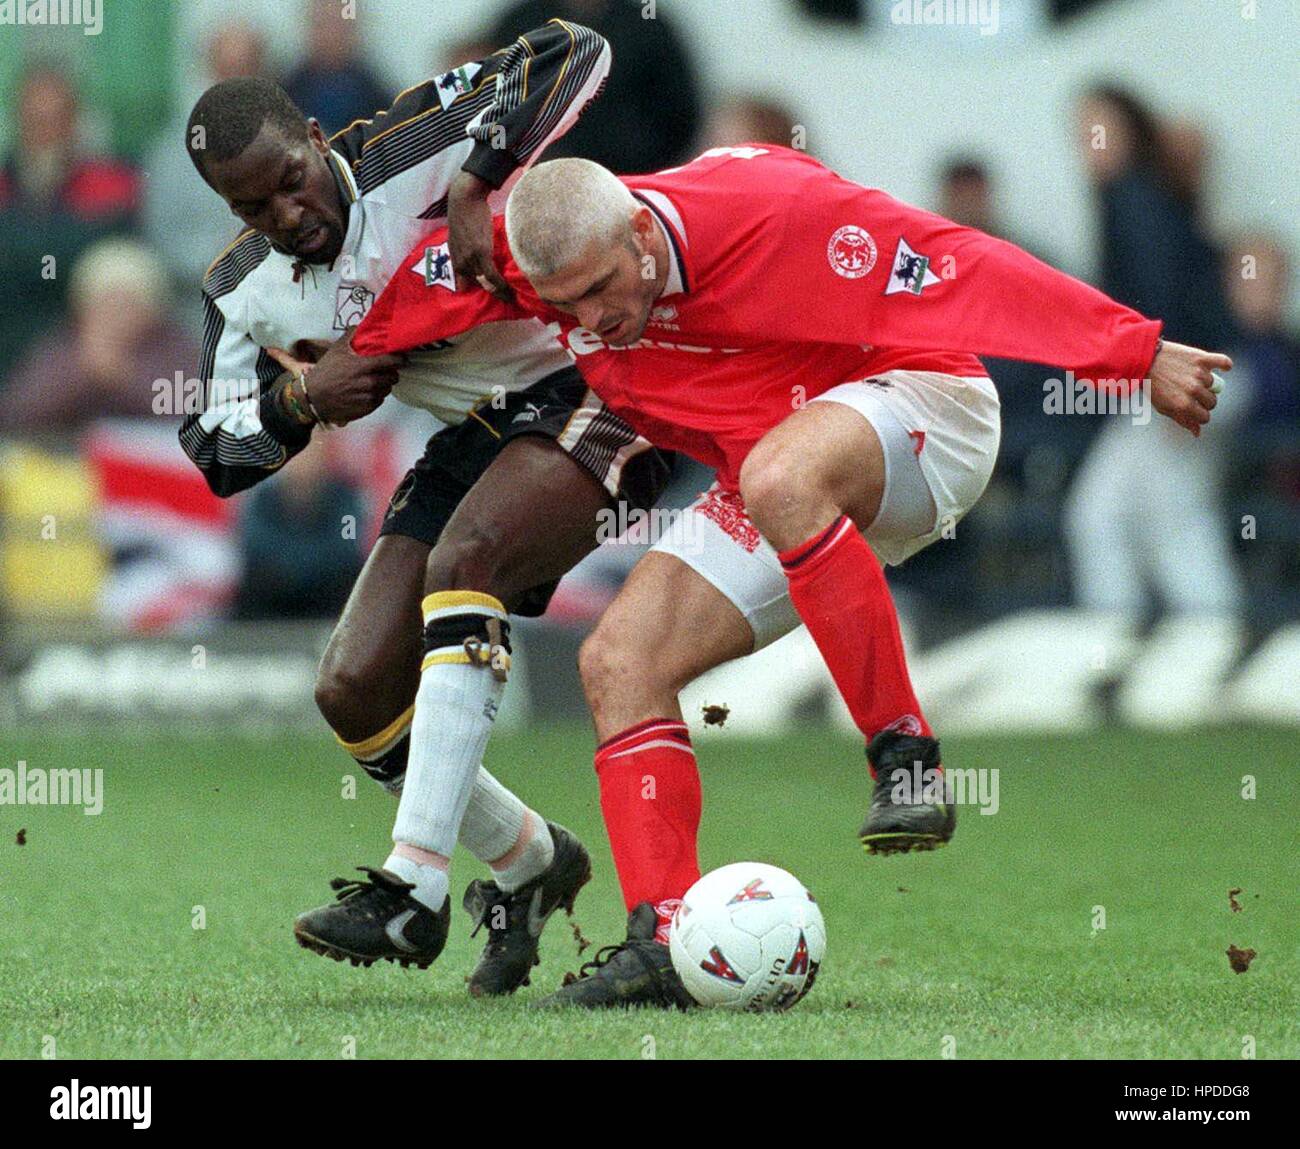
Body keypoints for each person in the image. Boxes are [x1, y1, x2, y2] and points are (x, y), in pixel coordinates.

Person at [354, 144, 1232, 1008]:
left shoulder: (774, 214)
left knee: (781, 476)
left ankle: (907, 761)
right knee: (619, 660)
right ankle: (661, 941)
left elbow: (963, 265)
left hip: (925, 403)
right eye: (565, 303)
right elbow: (431, 277)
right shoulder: (545, 248)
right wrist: (324, 367)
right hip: (780, 468)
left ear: (643, 237)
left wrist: (1135, 353)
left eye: (600, 287)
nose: (589, 316)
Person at [180, 20, 671, 994]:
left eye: (291, 179)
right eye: (254, 205)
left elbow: (578, 49)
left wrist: (481, 177)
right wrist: (298, 403)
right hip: (471, 437)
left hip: (595, 385)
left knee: (465, 565)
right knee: (353, 687)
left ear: (317, 140)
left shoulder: (410, 144)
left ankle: (413, 887)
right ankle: (532, 861)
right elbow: (211, 447)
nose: (287, 212)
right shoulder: (241, 291)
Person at [0, 66, 142, 380]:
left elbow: (117, 255)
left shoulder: (111, 183)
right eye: (37, 120)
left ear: (74, 121)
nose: (46, 132)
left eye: (57, 119)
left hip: (78, 353)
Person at [0, 239, 194, 432]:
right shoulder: (65, 343)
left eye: (127, 303)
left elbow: (193, 417)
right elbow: (17, 412)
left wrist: (123, 376)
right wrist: (83, 370)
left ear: (151, 310)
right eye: (104, 302)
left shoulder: (174, 347)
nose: (114, 314)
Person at [487, 0, 701, 174]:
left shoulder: (647, 22)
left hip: (628, 182)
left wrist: (646, 170)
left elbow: (679, 111)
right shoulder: (520, 22)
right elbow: (493, 103)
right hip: (536, 179)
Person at [281, 0, 392, 137]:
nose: (331, 34)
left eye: (339, 25)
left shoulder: (381, 103)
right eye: (323, 23)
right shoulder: (282, 96)